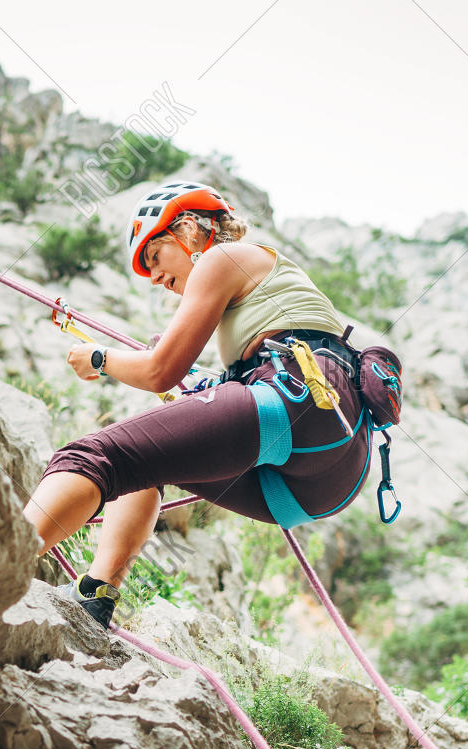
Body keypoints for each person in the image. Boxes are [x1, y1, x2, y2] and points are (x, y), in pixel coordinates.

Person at [23, 180, 373, 630]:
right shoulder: (261, 289)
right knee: (149, 460)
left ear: (189, 229)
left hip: (293, 406)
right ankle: (96, 594)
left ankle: (1, 559)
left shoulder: (222, 257)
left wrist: (99, 358)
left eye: (155, 256)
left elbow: (159, 372)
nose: (155, 278)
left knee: (92, 457)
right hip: (323, 480)